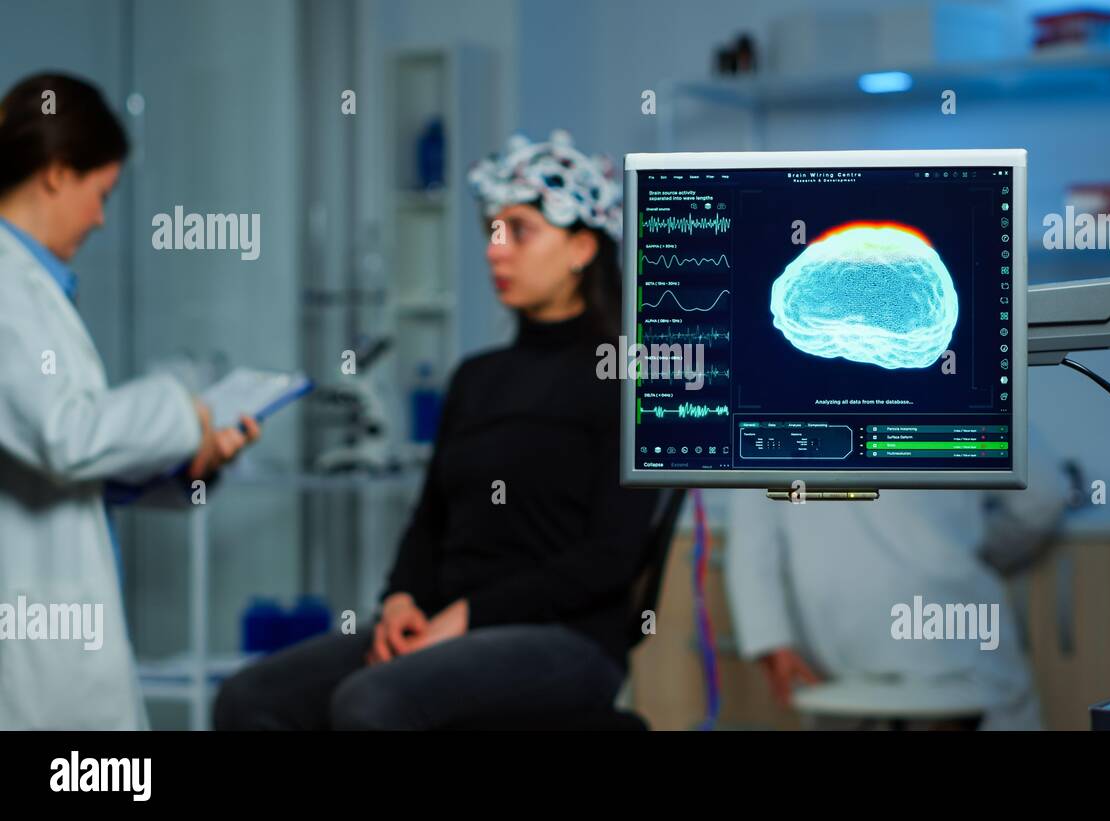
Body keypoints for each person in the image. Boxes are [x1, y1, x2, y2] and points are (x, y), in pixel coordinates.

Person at [214, 131, 660, 730]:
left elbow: (610, 557)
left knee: (372, 703)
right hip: (444, 621)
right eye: (492, 231)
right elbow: (430, 521)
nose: (495, 251)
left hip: (567, 639)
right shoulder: (477, 378)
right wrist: (399, 601)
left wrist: (468, 617)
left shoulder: (629, 378)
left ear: (582, 247)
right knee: (248, 700)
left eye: (520, 231)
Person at [0, 73, 258, 729]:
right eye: (100, 194)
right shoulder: (7, 284)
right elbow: (66, 434)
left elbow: (63, 459)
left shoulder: (35, 286)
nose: (101, 218)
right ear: (57, 174)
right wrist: (185, 410)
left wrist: (190, 457)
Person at [725, 426, 1068, 730]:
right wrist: (980, 549)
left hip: (839, 646)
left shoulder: (777, 398)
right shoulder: (966, 381)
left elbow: (752, 539)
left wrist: (771, 640)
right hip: (953, 634)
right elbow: (1046, 494)